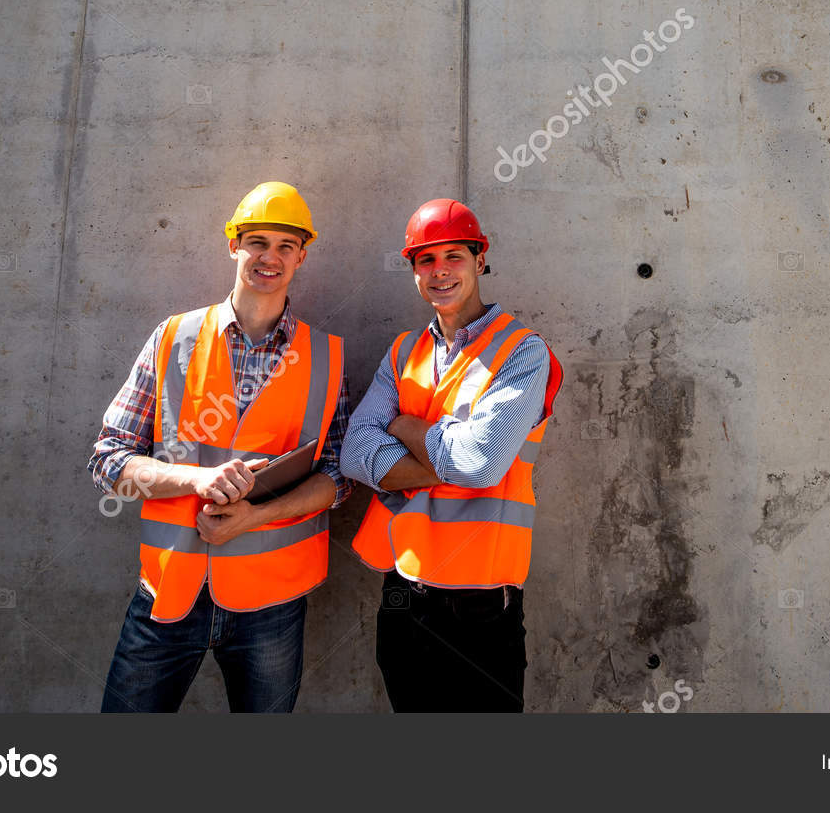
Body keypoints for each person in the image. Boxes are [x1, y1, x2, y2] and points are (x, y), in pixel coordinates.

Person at [89, 181, 350, 713]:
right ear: (234, 244)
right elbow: (108, 460)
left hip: (271, 604)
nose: (269, 257)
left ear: (302, 255)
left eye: (284, 245)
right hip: (168, 592)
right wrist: (195, 480)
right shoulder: (174, 337)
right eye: (257, 241)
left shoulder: (327, 357)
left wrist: (254, 518)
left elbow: (338, 478)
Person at [341, 198, 562, 712]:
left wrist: (402, 425)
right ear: (414, 271)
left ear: (479, 260)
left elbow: (480, 466)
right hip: (403, 594)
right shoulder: (403, 353)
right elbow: (354, 452)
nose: (440, 271)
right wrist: (447, 454)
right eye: (426, 260)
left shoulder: (522, 351)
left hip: (481, 606)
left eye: (454, 256)